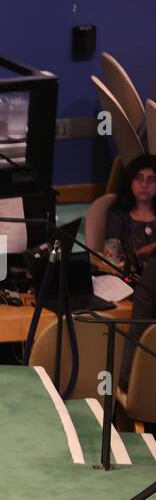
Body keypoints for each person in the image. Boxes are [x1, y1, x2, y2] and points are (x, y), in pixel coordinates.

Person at [109, 154, 156, 390]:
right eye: (139, 178)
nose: (145, 184)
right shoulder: (119, 217)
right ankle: (130, 381)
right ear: (131, 182)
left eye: (151, 179)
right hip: (131, 283)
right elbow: (111, 259)